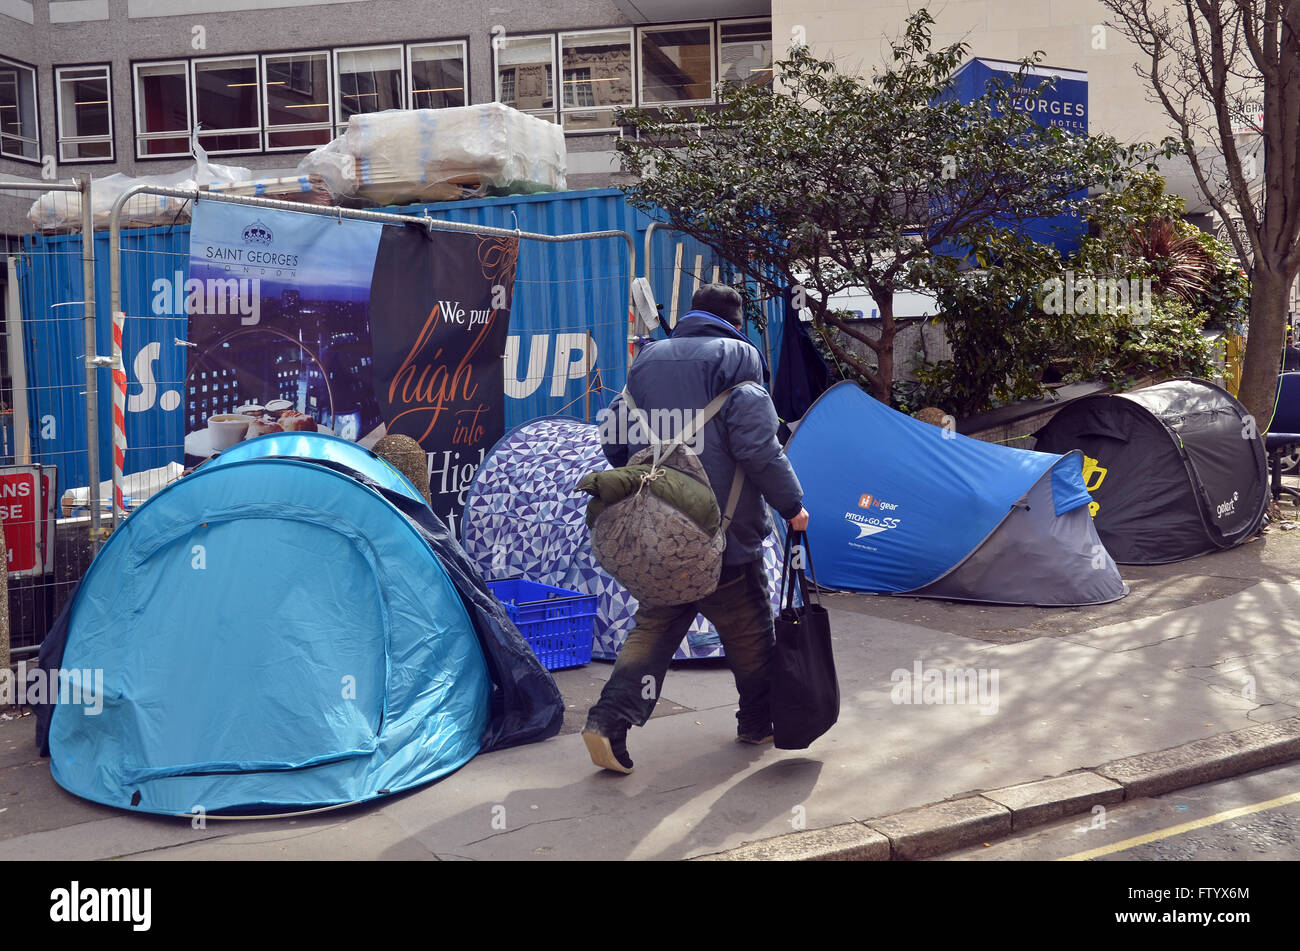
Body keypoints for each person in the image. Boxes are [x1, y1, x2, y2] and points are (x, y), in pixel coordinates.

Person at [582, 283, 810, 774]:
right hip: (721, 536)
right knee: (749, 633)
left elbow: (613, 440)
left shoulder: (646, 364)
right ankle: (757, 721)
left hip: (662, 530)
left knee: (655, 627)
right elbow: (762, 452)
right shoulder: (741, 368)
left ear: (691, 315)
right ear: (736, 319)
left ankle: (607, 721)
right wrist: (792, 505)